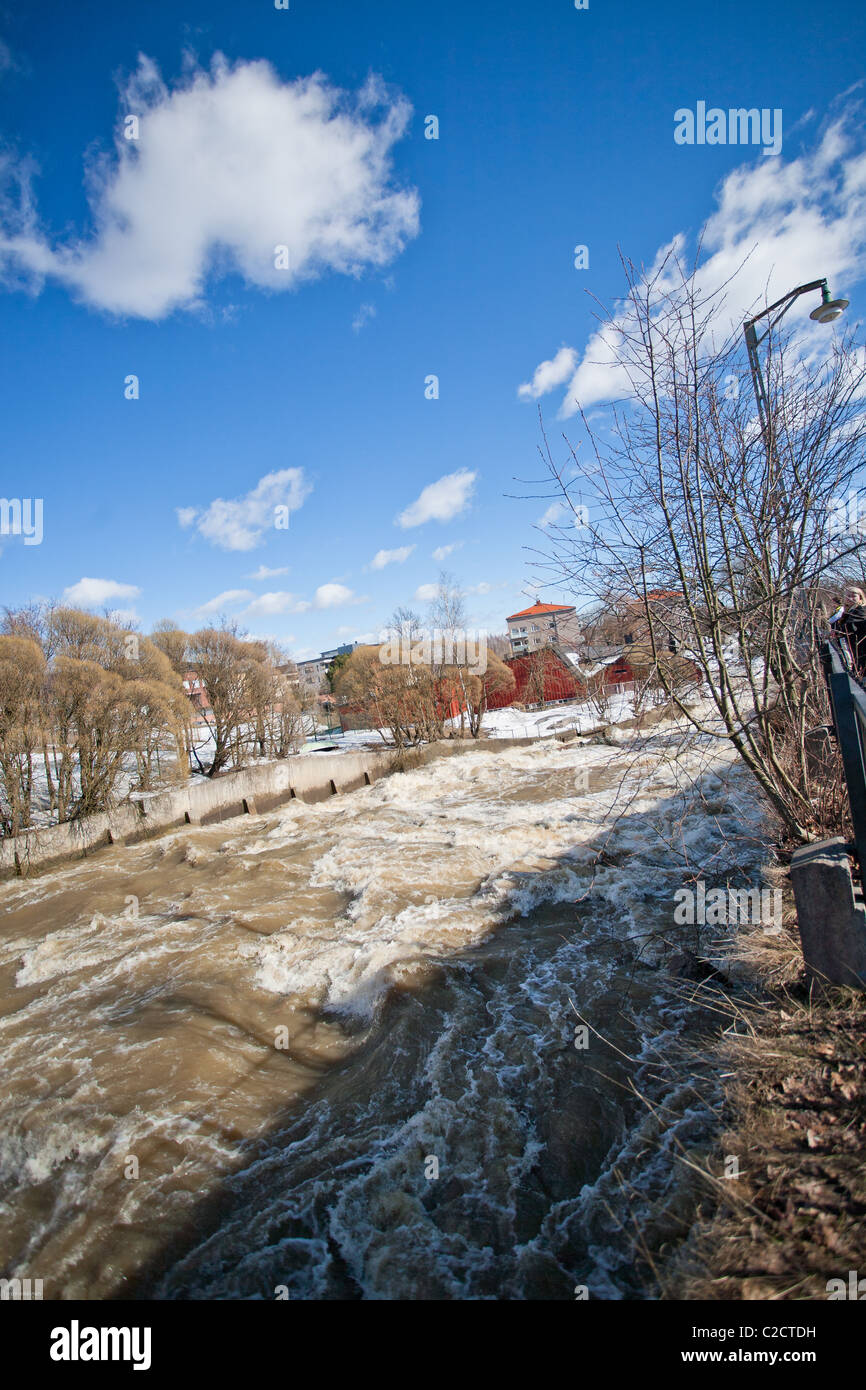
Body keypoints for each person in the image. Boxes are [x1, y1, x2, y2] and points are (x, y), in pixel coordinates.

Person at [829, 585, 866, 674]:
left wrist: (838, 631)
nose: (850, 598)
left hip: (862, 646)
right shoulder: (849, 610)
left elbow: (850, 626)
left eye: (854, 596)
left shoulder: (861, 610)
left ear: (860, 598)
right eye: (848, 596)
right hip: (855, 647)